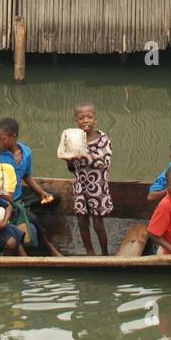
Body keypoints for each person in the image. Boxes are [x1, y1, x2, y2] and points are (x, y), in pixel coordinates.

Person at [0, 117, 54, 249]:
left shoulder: (26, 152)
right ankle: (48, 246)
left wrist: (43, 193)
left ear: (13, 136)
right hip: (3, 197)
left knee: (55, 197)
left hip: (20, 193)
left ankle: (26, 213)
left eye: (0, 138)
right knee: (32, 219)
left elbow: (27, 176)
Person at [66, 102, 112, 255]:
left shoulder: (103, 139)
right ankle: (90, 253)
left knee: (98, 221)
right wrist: (70, 160)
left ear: (95, 119)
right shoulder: (72, 140)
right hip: (80, 186)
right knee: (81, 220)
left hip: (97, 186)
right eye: (81, 118)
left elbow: (104, 163)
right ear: (76, 121)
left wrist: (87, 155)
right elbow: (72, 169)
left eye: (89, 117)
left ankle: (105, 254)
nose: (85, 120)